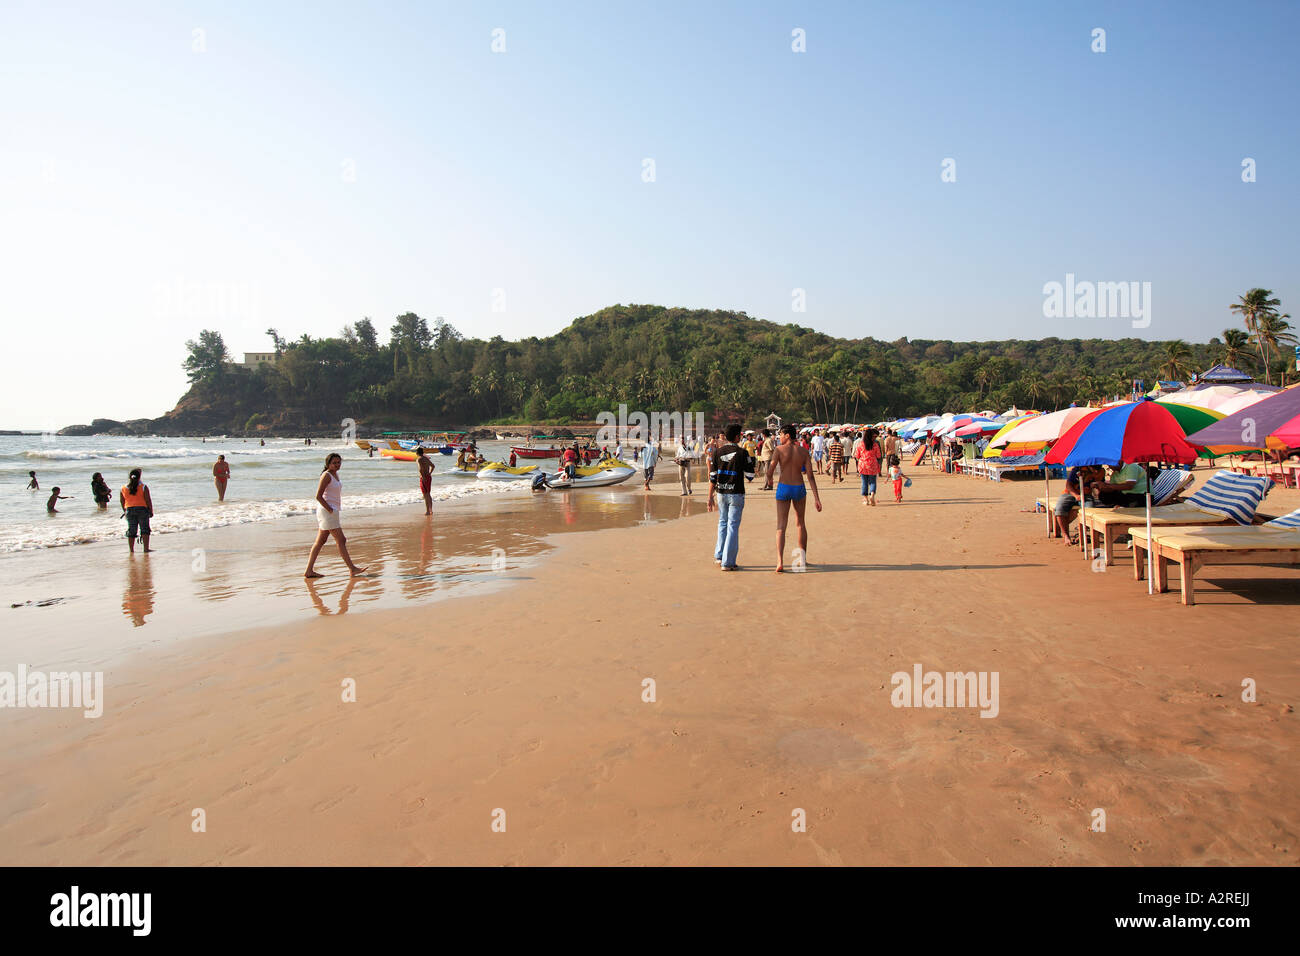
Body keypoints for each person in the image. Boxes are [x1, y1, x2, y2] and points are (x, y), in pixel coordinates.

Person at [767, 425, 822, 571]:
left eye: (781, 434)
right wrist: (817, 498)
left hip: (784, 487)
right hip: (799, 487)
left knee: (781, 526)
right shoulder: (803, 451)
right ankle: (802, 559)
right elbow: (810, 476)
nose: (779, 437)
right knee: (800, 524)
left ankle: (780, 561)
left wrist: (769, 479)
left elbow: (771, 468)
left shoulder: (779, 450)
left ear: (787, 435)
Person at [305, 453, 366, 577]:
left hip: (331, 511)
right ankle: (352, 568)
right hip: (328, 512)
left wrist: (333, 510)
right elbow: (318, 496)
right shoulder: (326, 475)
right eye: (334, 463)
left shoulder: (335, 474)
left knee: (320, 541)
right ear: (328, 464)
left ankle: (309, 571)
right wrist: (330, 510)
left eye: (339, 462)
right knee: (341, 540)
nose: (337, 465)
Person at [707, 423, 756, 570]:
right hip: (736, 492)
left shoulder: (717, 452)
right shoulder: (742, 453)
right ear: (736, 436)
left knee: (722, 523)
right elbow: (750, 476)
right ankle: (727, 562)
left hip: (721, 492)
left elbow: (713, 477)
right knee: (732, 526)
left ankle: (719, 555)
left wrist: (710, 497)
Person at [119, 467, 154, 553]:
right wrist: (151, 510)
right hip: (142, 509)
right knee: (145, 529)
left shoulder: (123, 488)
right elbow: (148, 500)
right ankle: (146, 549)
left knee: (132, 530)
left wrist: (125, 510)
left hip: (129, 510)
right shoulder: (143, 487)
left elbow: (122, 500)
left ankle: (131, 550)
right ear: (139, 477)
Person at [854, 428, 883, 506]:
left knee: (864, 482)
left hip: (863, 465)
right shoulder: (875, 445)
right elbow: (879, 455)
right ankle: (872, 495)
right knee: (873, 482)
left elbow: (857, 455)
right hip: (872, 465)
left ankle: (866, 499)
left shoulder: (860, 444)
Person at [416, 446, 435, 515]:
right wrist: (430, 473)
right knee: (428, 494)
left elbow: (420, 469)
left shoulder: (419, 459)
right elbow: (433, 466)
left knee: (425, 495)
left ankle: (427, 511)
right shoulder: (426, 459)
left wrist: (423, 476)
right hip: (429, 477)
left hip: (424, 478)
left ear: (417, 453)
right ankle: (431, 510)